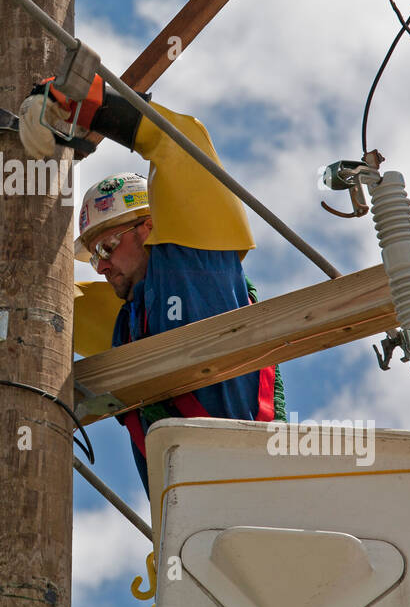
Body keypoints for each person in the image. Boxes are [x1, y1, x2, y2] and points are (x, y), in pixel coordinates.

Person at [19, 79, 286, 496]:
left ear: (149, 229)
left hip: (253, 494)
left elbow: (184, 145)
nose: (102, 266)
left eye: (107, 246)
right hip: (186, 530)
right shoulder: (125, 320)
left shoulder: (196, 260)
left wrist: (83, 103)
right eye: (94, 256)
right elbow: (35, 300)